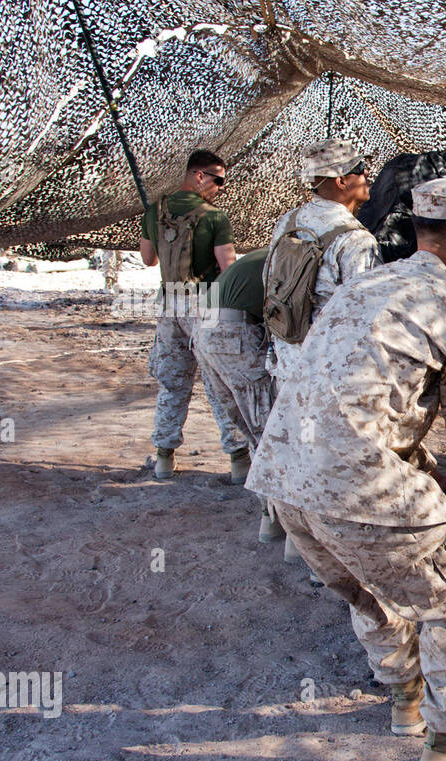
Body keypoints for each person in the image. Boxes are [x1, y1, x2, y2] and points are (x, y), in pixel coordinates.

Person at [247, 176, 446, 761]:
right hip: (358, 484)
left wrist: (427, 470)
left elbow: (354, 396)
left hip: (286, 478)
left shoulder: (364, 282)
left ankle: (403, 700)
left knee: (371, 589)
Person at [262, 138, 382, 558]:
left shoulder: (287, 222)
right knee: (330, 460)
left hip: (287, 357)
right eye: (361, 169)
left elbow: (270, 286)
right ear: (341, 180)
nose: (368, 177)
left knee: (294, 445)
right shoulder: (355, 240)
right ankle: (318, 554)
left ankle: (283, 530)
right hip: (329, 371)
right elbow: (367, 314)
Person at [139, 149, 244, 481]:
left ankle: (163, 458)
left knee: (172, 383)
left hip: (169, 303)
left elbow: (148, 260)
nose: (221, 188)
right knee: (220, 384)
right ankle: (239, 461)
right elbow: (228, 268)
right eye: (218, 180)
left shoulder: (154, 212)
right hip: (206, 304)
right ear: (199, 175)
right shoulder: (215, 218)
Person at [191, 247, 282, 539]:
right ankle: (285, 526)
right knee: (272, 430)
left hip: (205, 333)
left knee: (251, 427)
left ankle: (271, 517)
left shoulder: (265, 255)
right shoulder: (290, 263)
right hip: (232, 335)